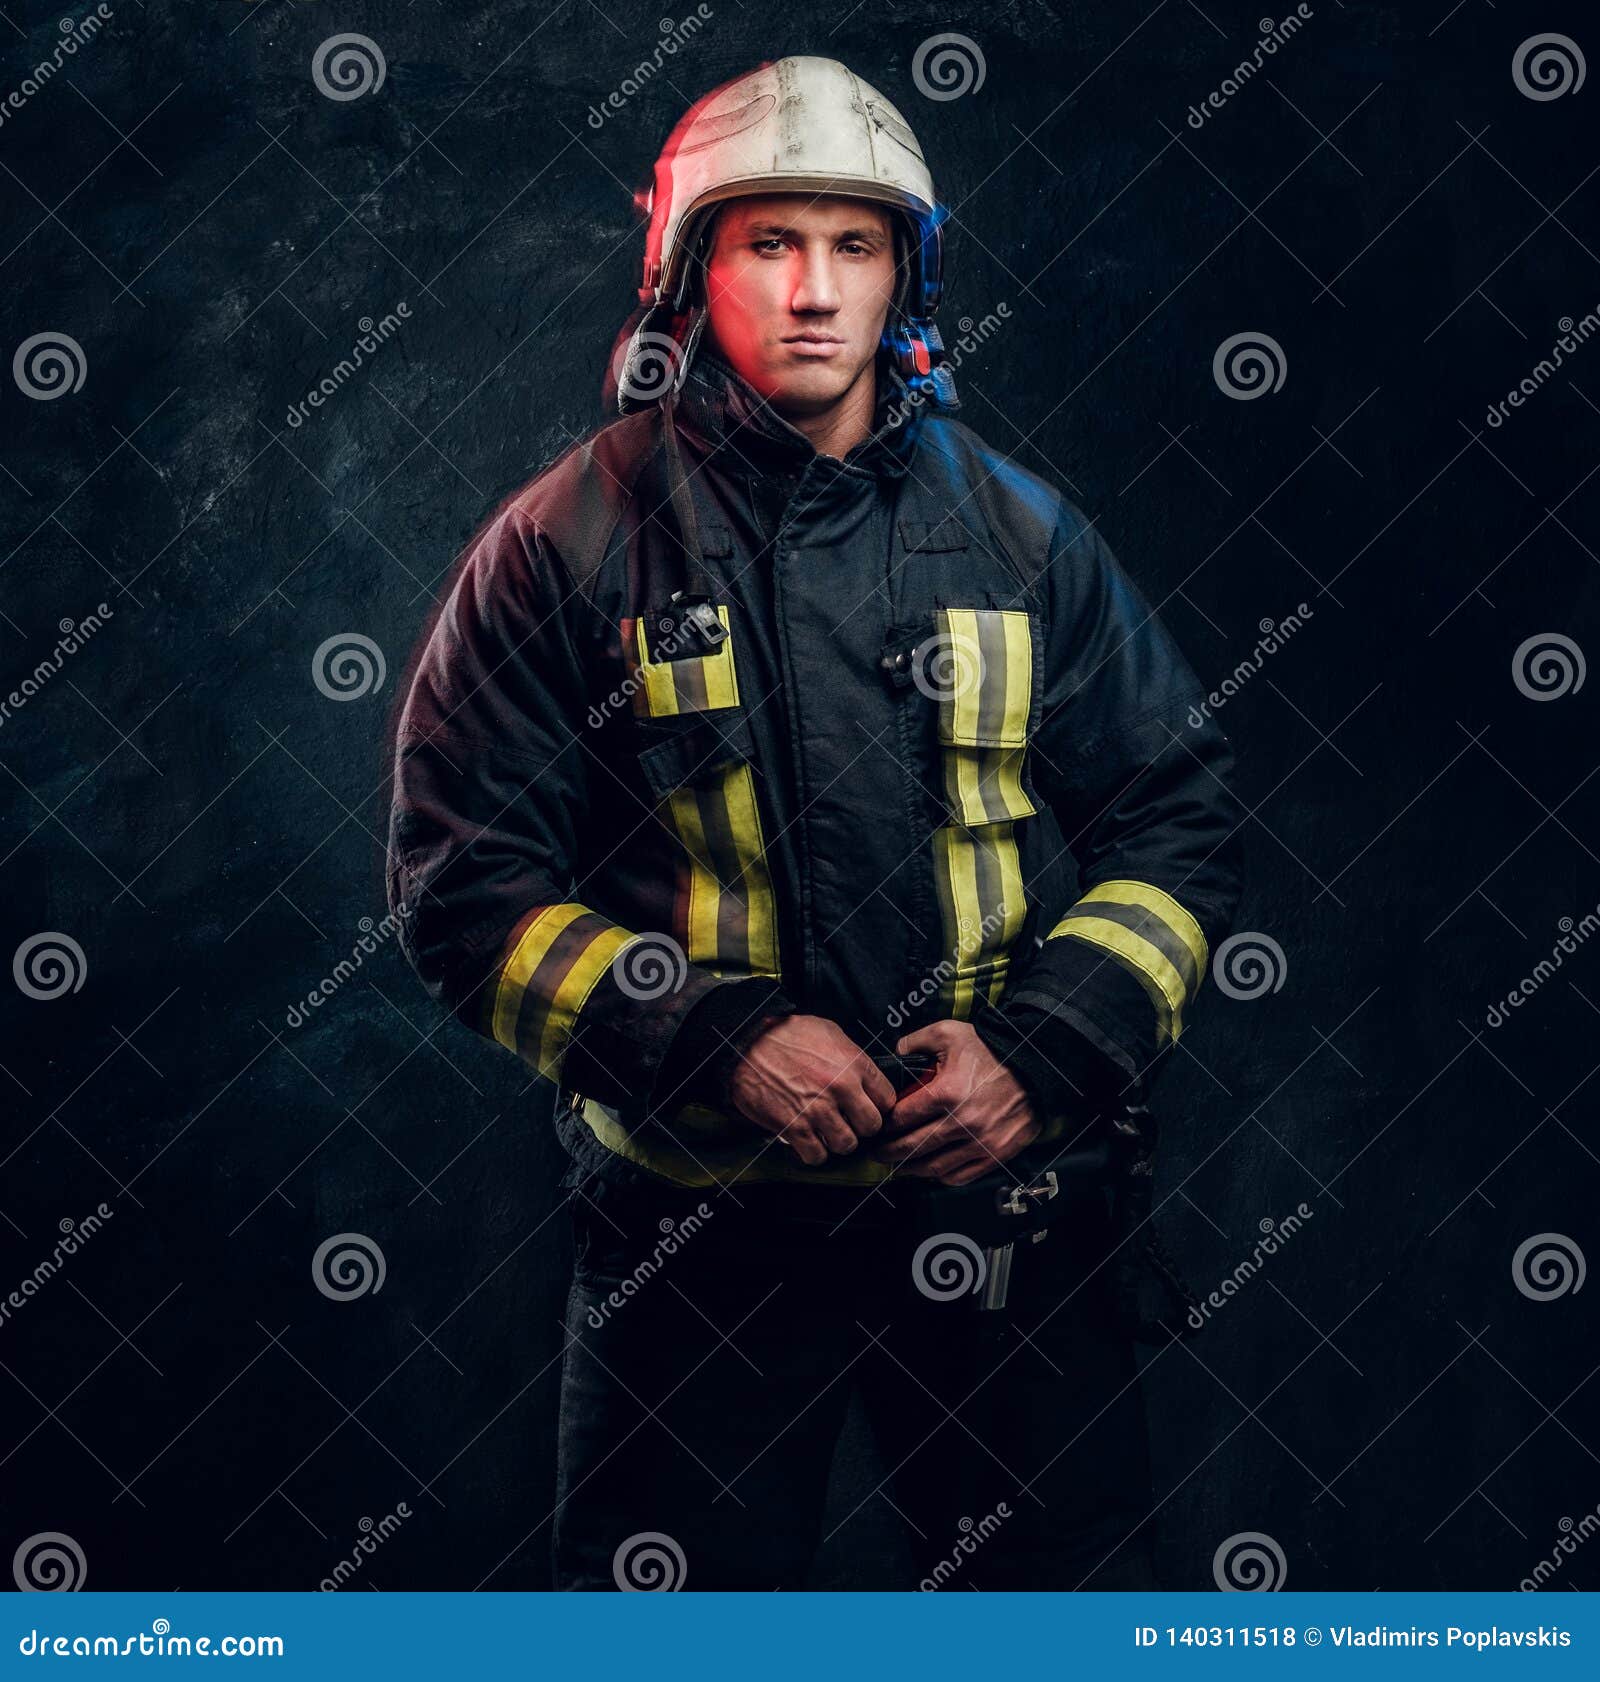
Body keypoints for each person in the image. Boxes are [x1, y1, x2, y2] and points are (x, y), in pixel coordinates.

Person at [385, 55, 1244, 1590]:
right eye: (768, 241)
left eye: (855, 244)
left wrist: (1042, 1054)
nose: (814, 290)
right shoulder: (563, 546)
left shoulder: (1025, 538)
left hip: (999, 1221)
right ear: (684, 268)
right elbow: (463, 887)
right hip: (698, 1239)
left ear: (908, 270)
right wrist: (714, 1041)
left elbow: (1176, 819)